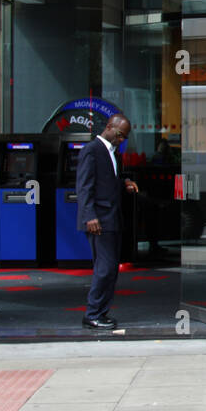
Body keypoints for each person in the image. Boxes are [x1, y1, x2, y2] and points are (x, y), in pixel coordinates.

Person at [77, 113, 139, 329]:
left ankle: (101, 312)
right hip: (99, 219)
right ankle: (92, 314)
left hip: (112, 217)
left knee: (111, 268)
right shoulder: (91, 150)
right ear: (110, 128)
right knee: (104, 268)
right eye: (120, 135)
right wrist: (89, 216)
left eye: (125, 138)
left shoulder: (112, 153)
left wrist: (124, 182)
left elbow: (108, 180)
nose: (122, 140)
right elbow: (84, 187)